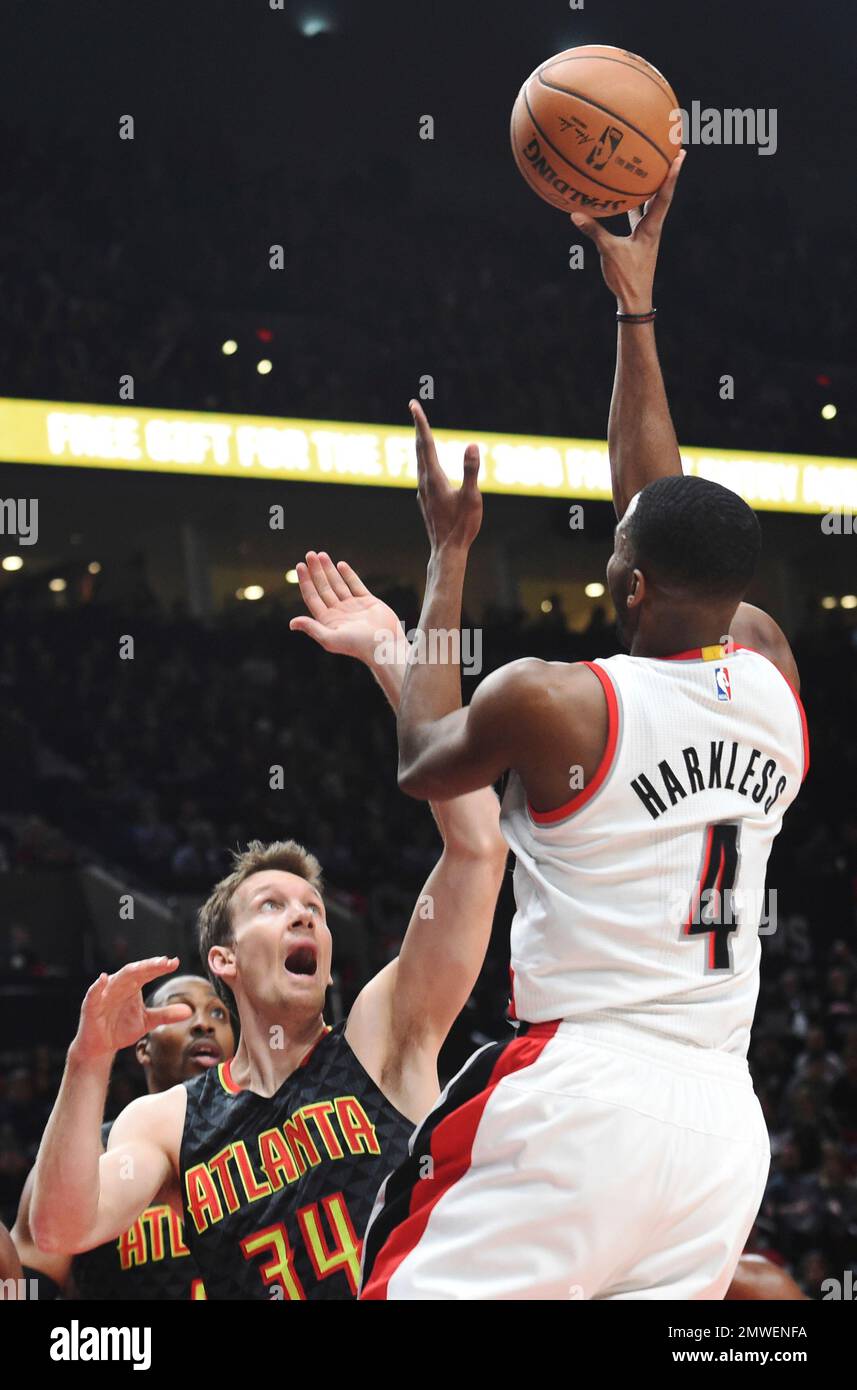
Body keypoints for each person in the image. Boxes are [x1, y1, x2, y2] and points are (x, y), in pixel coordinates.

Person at [360, 152, 809, 1300]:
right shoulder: (765, 676)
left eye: (615, 557)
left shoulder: (553, 700)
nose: (608, 555)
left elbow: (419, 756)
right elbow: (655, 506)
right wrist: (634, 309)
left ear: (632, 588)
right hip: (718, 1123)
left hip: (580, 1095)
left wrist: (445, 556)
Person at [30, 556, 507, 1300]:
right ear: (222, 958)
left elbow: (479, 846)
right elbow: (60, 1231)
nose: (302, 915)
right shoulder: (168, 1118)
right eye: (273, 906)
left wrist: (392, 655)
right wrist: (88, 1059)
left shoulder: (383, 1036)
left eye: (310, 909)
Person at [13, 975, 234, 1299]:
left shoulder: (261, 1136)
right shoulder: (86, 1156)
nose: (204, 1024)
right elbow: (26, 1284)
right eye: (181, 1011)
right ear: (143, 1048)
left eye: (218, 1013)